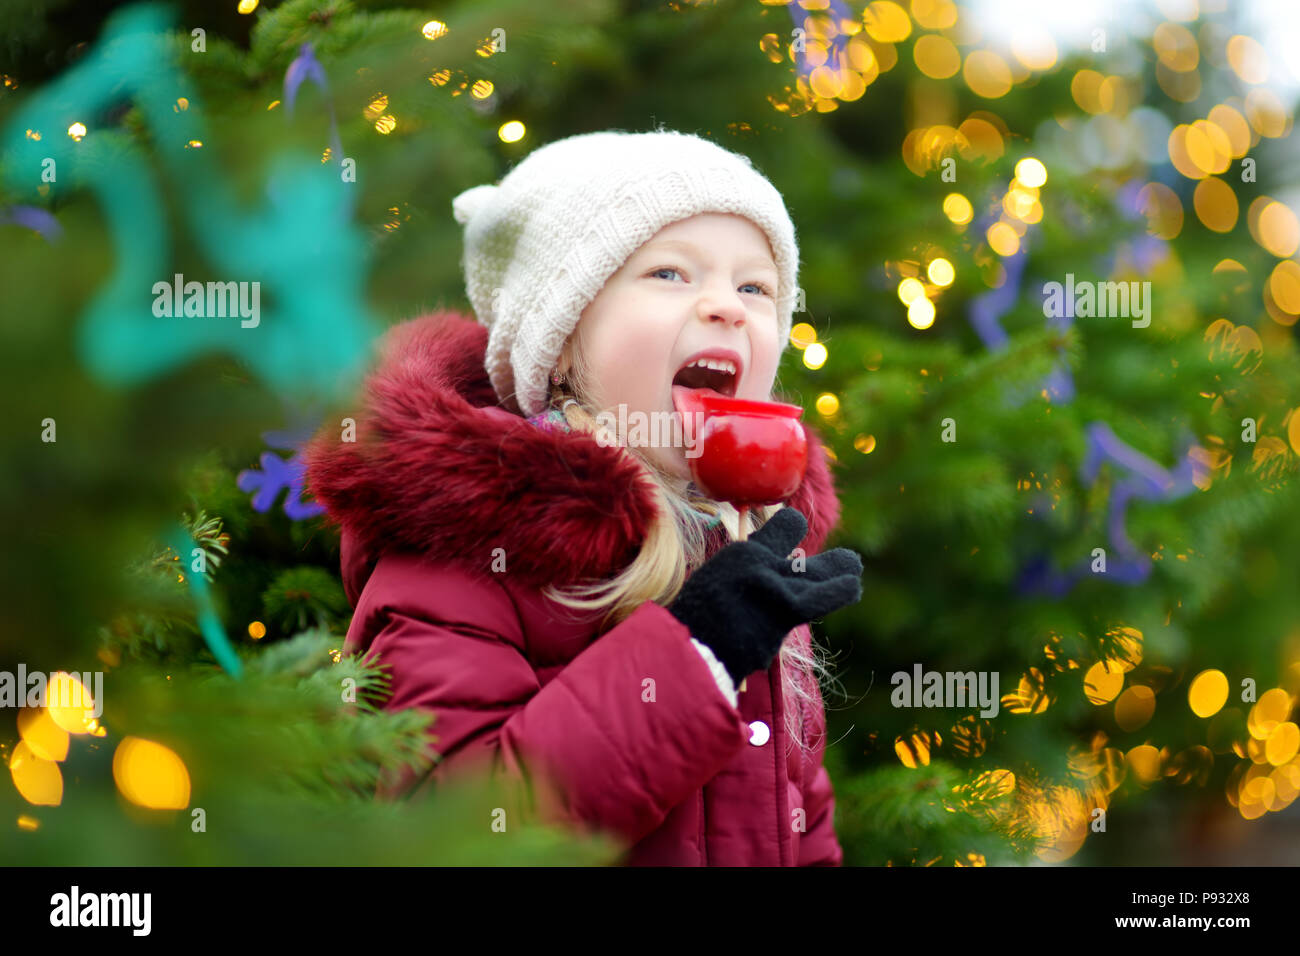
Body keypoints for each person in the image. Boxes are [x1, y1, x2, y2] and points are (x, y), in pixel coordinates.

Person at [304, 127, 864, 865]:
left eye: (755, 286)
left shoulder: (740, 551)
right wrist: (695, 656)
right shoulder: (474, 552)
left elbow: (798, 825)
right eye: (670, 273)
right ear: (562, 340)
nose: (727, 306)